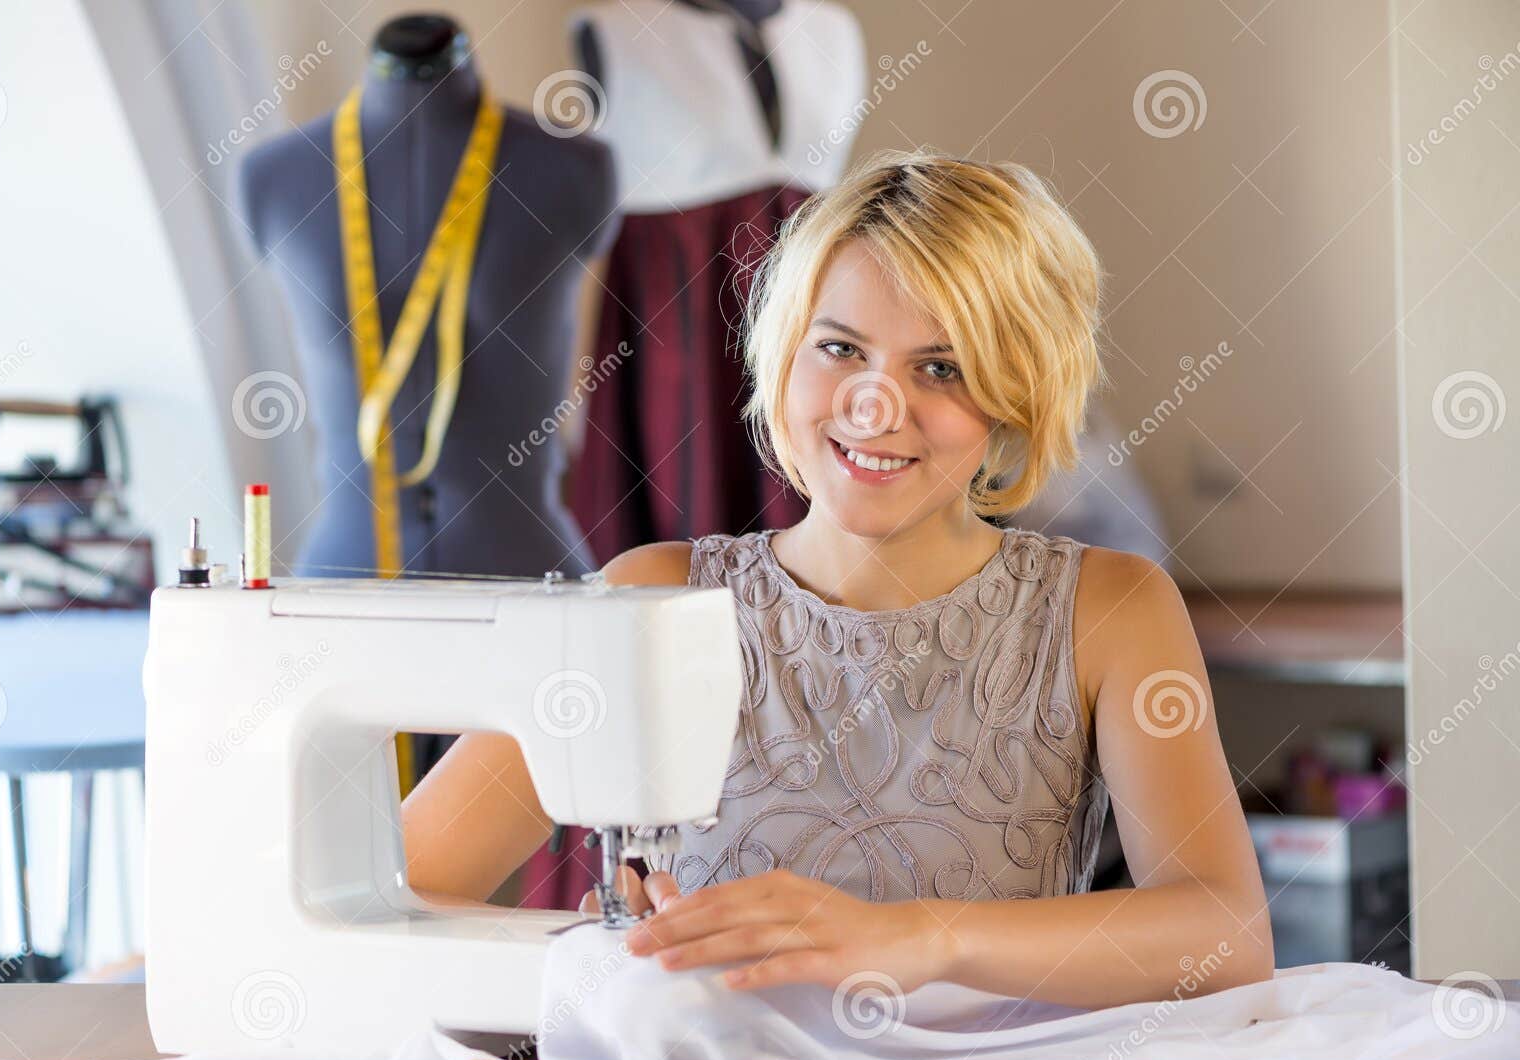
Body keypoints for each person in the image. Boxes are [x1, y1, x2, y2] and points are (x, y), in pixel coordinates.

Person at [402, 151, 1274, 1008]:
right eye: (840, 348)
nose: (872, 404)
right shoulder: (652, 599)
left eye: (941, 367)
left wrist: (926, 937)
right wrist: (603, 955)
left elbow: (1227, 933)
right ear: (784, 354)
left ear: (1017, 391)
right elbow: (406, 886)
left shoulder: (1109, 611)